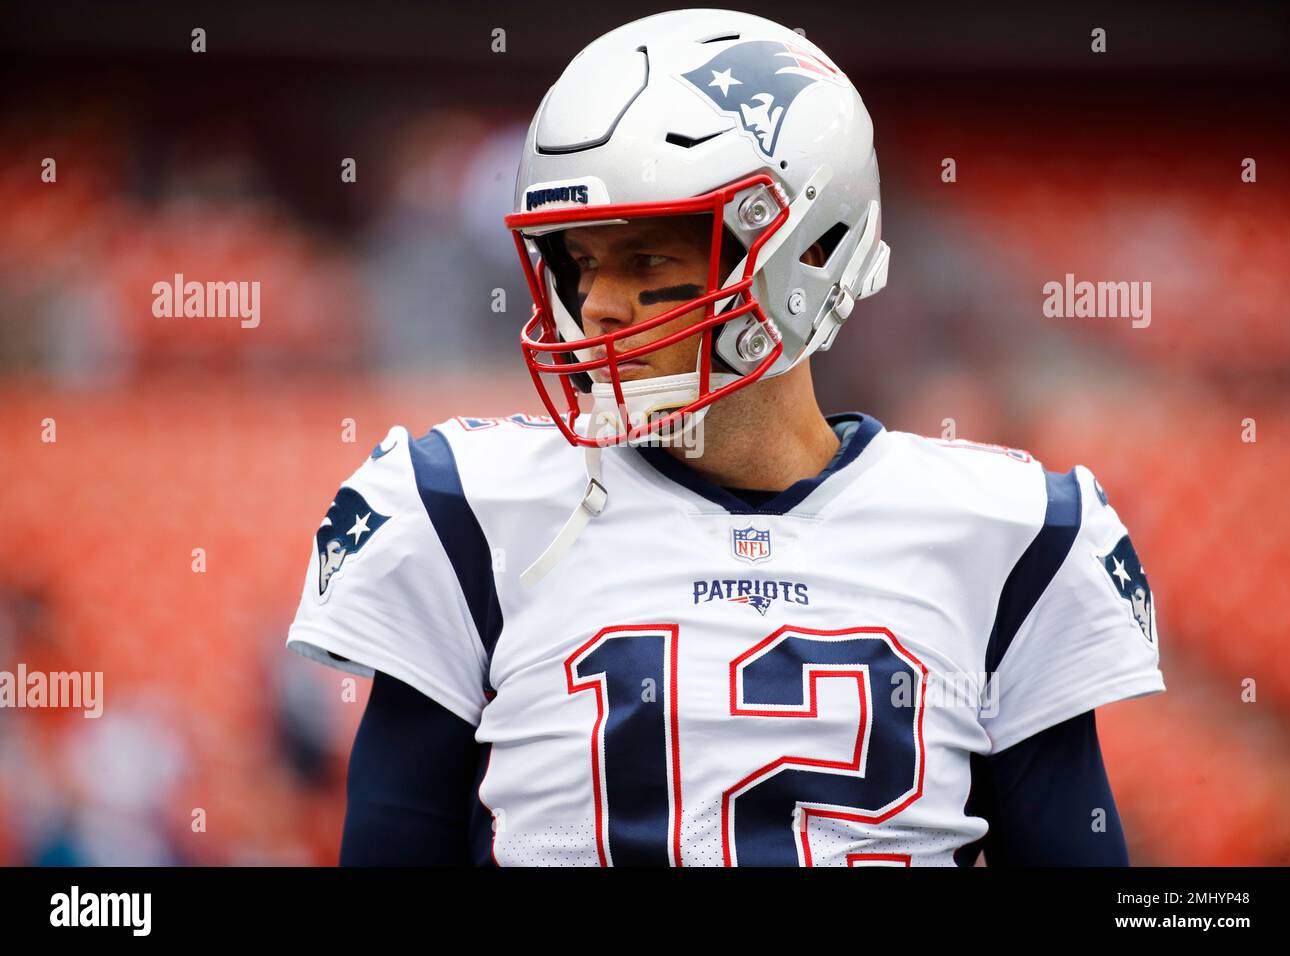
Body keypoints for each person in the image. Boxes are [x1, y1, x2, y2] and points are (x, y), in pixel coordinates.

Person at [286, 9, 1165, 866]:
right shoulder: (468, 513)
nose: (593, 304)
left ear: (805, 254)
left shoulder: (1008, 534)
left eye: (648, 262)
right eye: (582, 262)